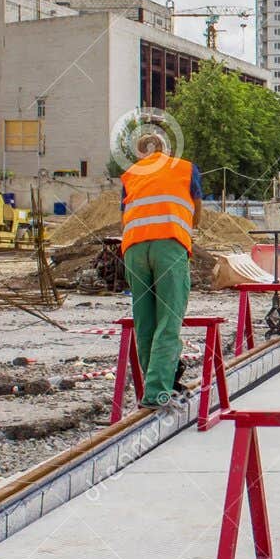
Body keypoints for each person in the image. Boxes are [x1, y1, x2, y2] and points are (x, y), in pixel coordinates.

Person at [120, 132, 201, 409]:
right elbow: (196, 213)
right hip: (169, 245)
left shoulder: (130, 174)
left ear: (141, 153)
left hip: (133, 249)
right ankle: (158, 393)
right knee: (169, 319)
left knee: (145, 321)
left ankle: (157, 384)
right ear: (167, 150)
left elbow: (125, 216)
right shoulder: (185, 169)